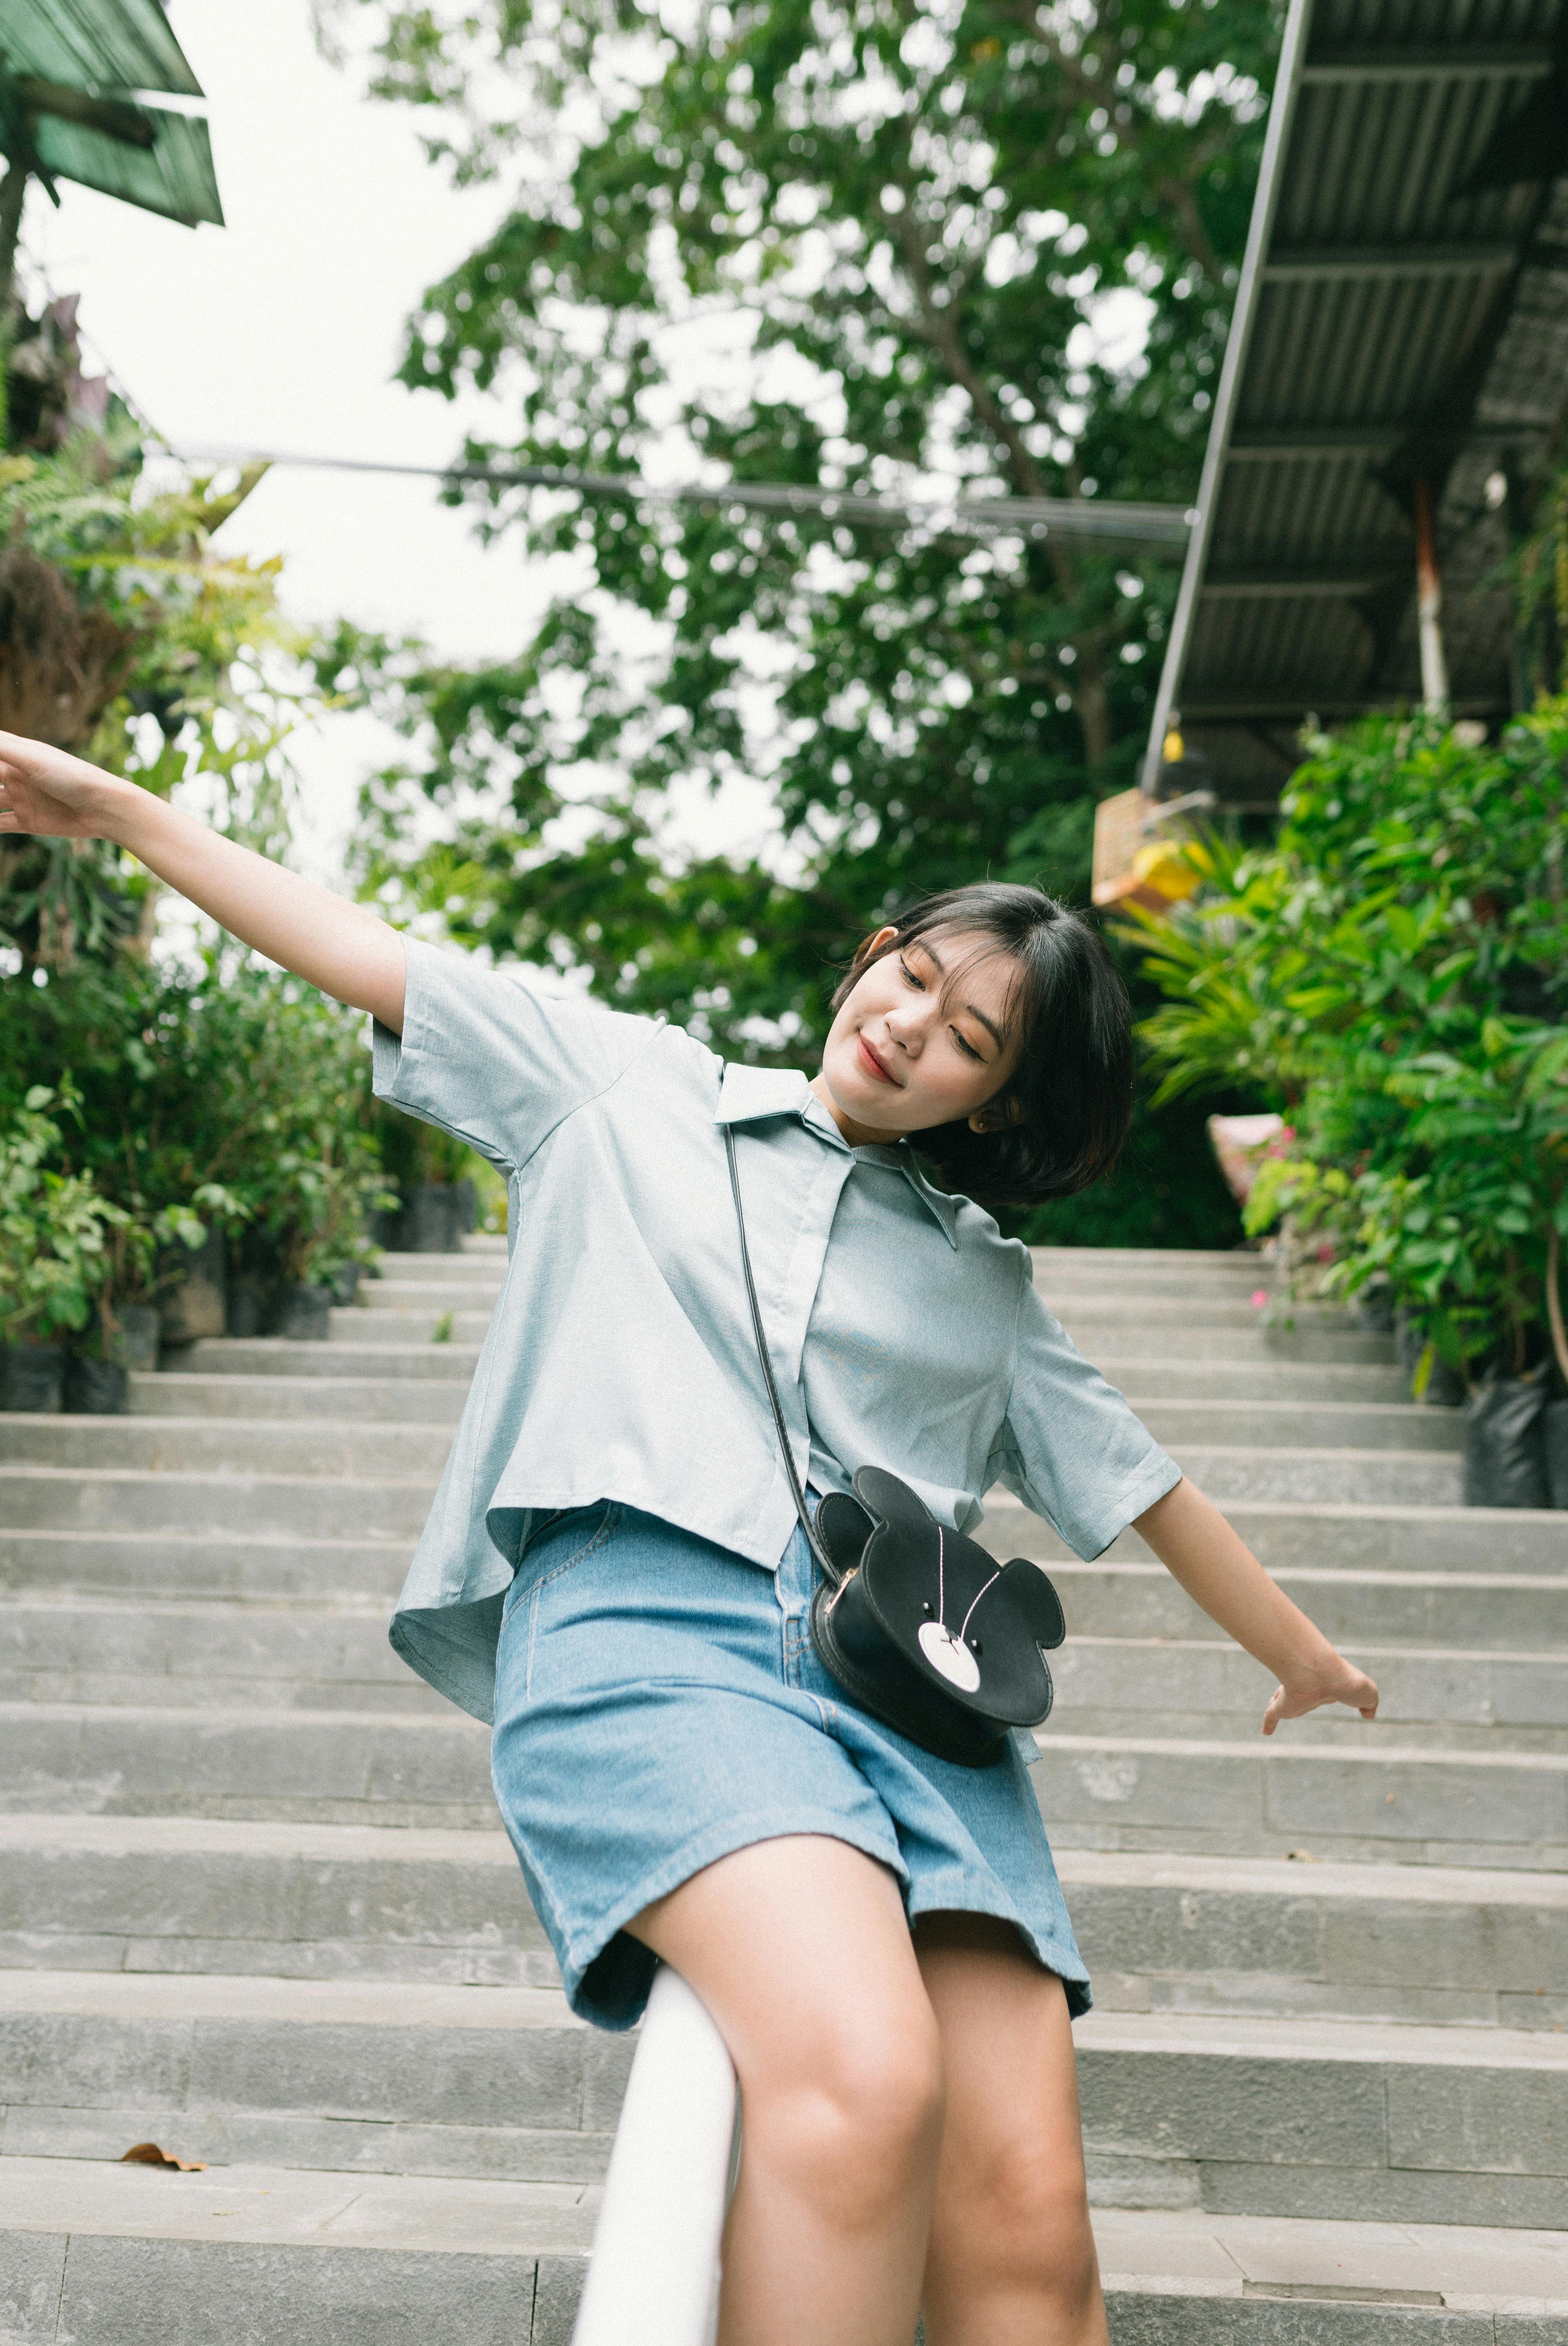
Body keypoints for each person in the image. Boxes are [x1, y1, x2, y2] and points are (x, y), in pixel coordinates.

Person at [0, 730, 1378, 2346]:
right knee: (863, 2081)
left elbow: (1142, 1484)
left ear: (996, 1099)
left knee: (1028, 2227)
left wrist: (1301, 1654)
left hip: (916, 1698)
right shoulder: (621, 1087)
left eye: (968, 1038)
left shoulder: (983, 1285)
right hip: (653, 1638)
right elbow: (371, 954)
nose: (910, 1028)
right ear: (873, 955)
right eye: (913, 978)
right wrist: (114, 811)